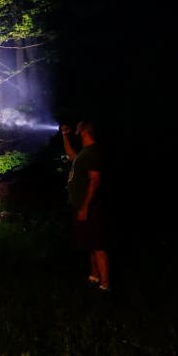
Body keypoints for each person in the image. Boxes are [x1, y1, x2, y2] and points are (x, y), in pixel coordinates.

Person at [60, 120, 110, 292]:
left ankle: (105, 286)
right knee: (90, 243)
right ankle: (94, 277)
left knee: (98, 245)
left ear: (85, 130)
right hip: (81, 205)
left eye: (78, 126)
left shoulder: (94, 151)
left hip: (91, 207)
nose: (75, 127)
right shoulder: (84, 152)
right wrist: (64, 136)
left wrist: (85, 207)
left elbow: (95, 181)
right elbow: (72, 157)